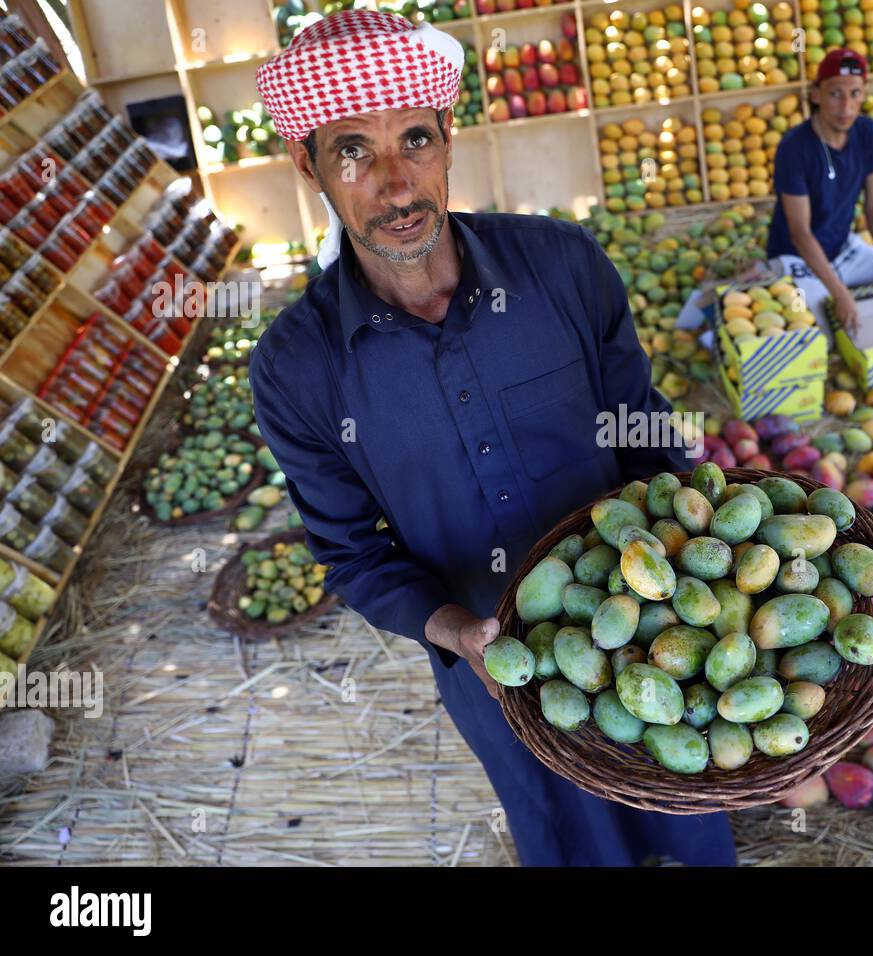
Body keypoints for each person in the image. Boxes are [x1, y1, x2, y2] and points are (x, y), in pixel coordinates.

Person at [250, 9, 736, 868]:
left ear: (448, 138)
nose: (397, 185)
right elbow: (354, 556)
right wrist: (455, 630)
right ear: (307, 163)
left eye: (416, 140)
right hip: (491, 666)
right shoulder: (297, 369)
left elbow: (644, 429)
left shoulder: (562, 267)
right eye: (354, 151)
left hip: (654, 621)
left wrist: (696, 525)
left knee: (682, 800)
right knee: (565, 830)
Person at [765, 48, 873, 334]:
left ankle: (839, 288)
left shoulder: (866, 131)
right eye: (835, 94)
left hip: (845, 251)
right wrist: (841, 294)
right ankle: (771, 275)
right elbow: (800, 233)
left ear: (864, 94)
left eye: (855, 94)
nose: (846, 108)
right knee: (822, 329)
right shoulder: (794, 147)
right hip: (799, 259)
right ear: (816, 95)